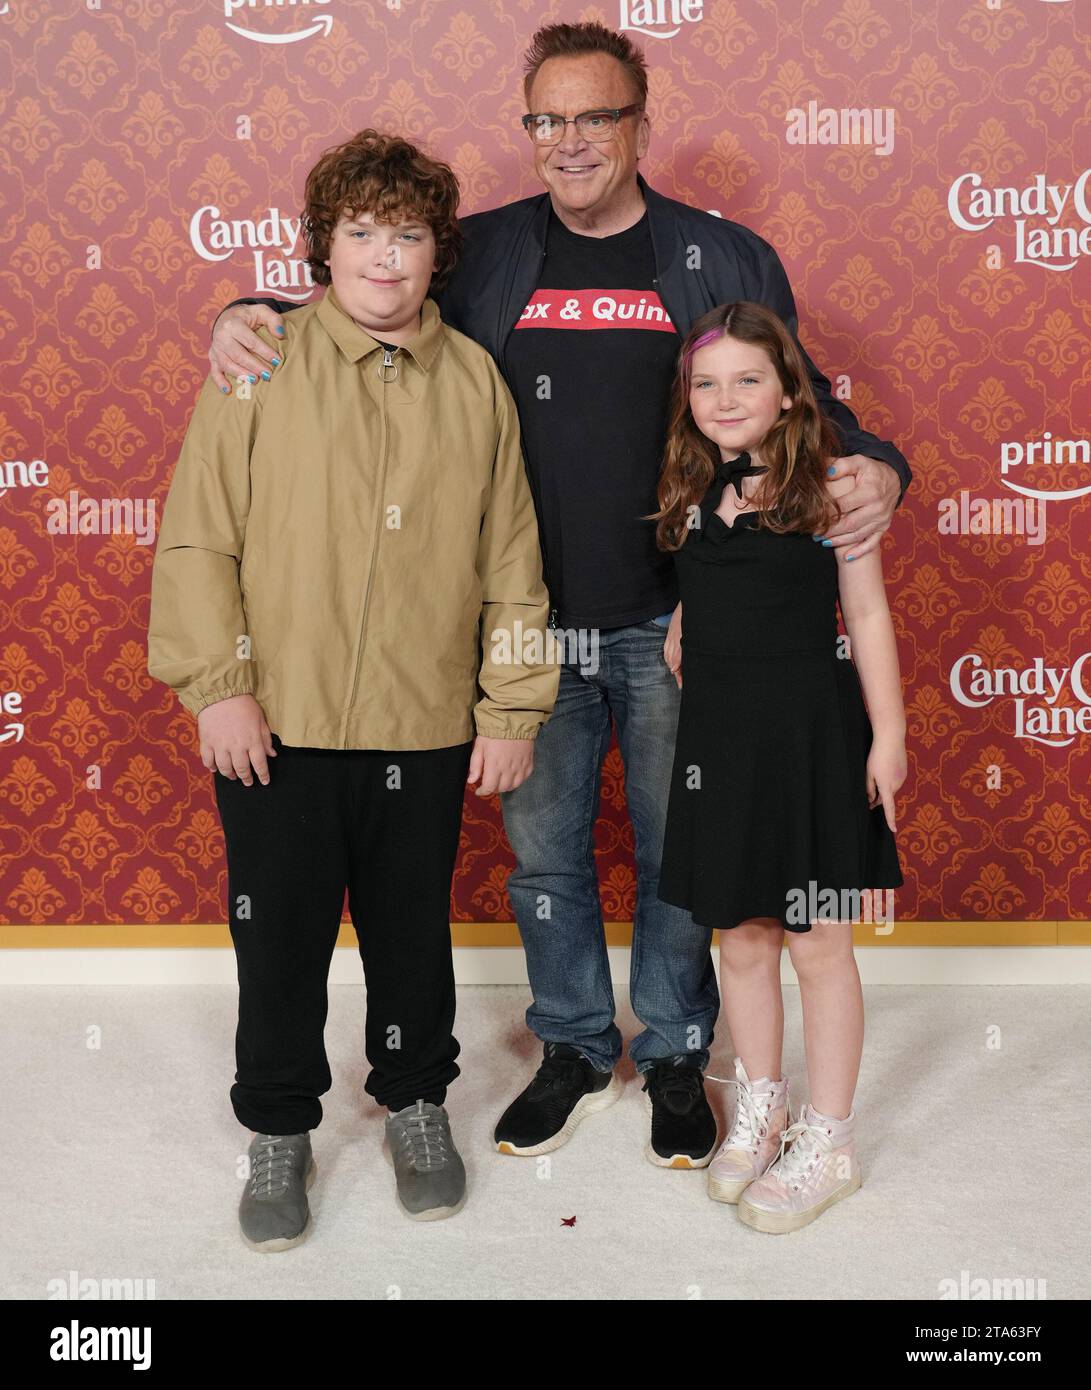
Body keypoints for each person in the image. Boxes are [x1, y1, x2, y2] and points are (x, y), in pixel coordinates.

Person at [203, 21, 911, 1168]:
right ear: (525, 130)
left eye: (596, 116)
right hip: (522, 626)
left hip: (680, 624)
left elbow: (800, 394)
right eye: (548, 119)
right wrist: (245, 312)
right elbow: (359, 299)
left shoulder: (721, 256)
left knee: (685, 848)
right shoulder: (478, 251)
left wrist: (880, 460)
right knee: (543, 859)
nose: (570, 140)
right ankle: (575, 1044)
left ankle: (677, 1050)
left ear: (640, 122)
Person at [146, 130, 558, 1247]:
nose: (384, 258)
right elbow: (198, 539)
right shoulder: (260, 357)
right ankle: (278, 1127)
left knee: (408, 930)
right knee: (276, 934)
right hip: (276, 721)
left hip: (422, 722)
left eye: (408, 234)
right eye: (362, 233)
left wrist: (511, 706)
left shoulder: (473, 379)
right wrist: (218, 686)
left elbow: (511, 558)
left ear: (440, 253)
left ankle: (416, 1100)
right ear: (322, 246)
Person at [650, 300, 906, 1231]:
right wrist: (689, 622)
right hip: (717, 752)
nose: (725, 399)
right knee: (742, 939)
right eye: (706, 384)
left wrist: (889, 736)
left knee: (817, 942)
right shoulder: (688, 492)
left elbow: (866, 616)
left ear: (790, 388)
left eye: (747, 379)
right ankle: (760, 1106)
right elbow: (705, 594)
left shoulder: (829, 490)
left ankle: (828, 1135)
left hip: (814, 743)